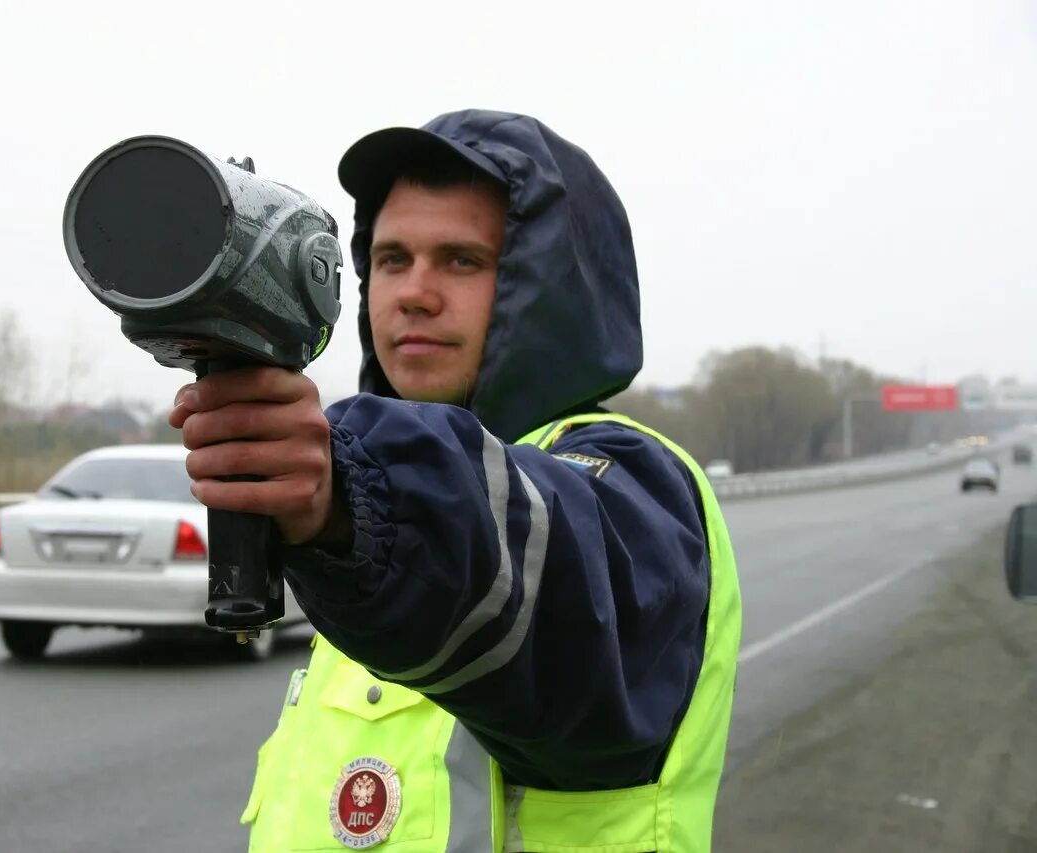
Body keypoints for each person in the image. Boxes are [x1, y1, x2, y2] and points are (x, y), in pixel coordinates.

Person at [168, 109, 742, 853]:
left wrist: (346, 496)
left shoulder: (634, 481)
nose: (414, 291)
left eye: (462, 260)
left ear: (551, 290)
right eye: (393, 257)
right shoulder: (369, 531)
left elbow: (552, 575)